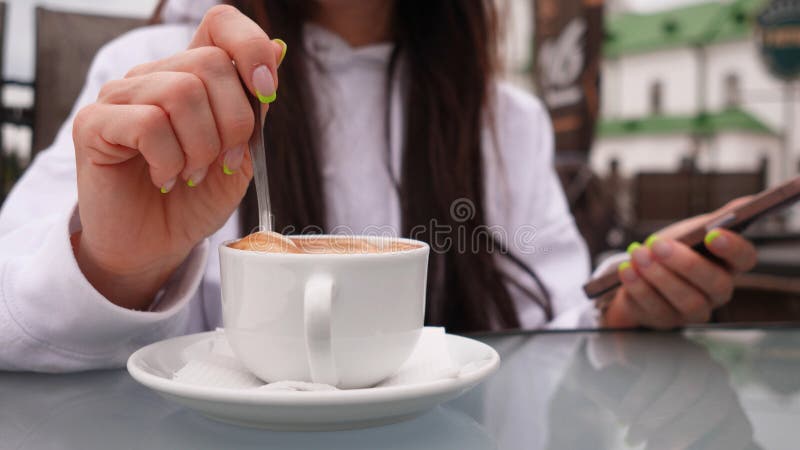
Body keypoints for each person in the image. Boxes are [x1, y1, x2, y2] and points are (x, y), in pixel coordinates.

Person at [0, 0, 756, 371]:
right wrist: (114, 265)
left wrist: (622, 307)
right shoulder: (157, 79)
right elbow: (15, 312)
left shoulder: (503, 117)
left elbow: (548, 318)